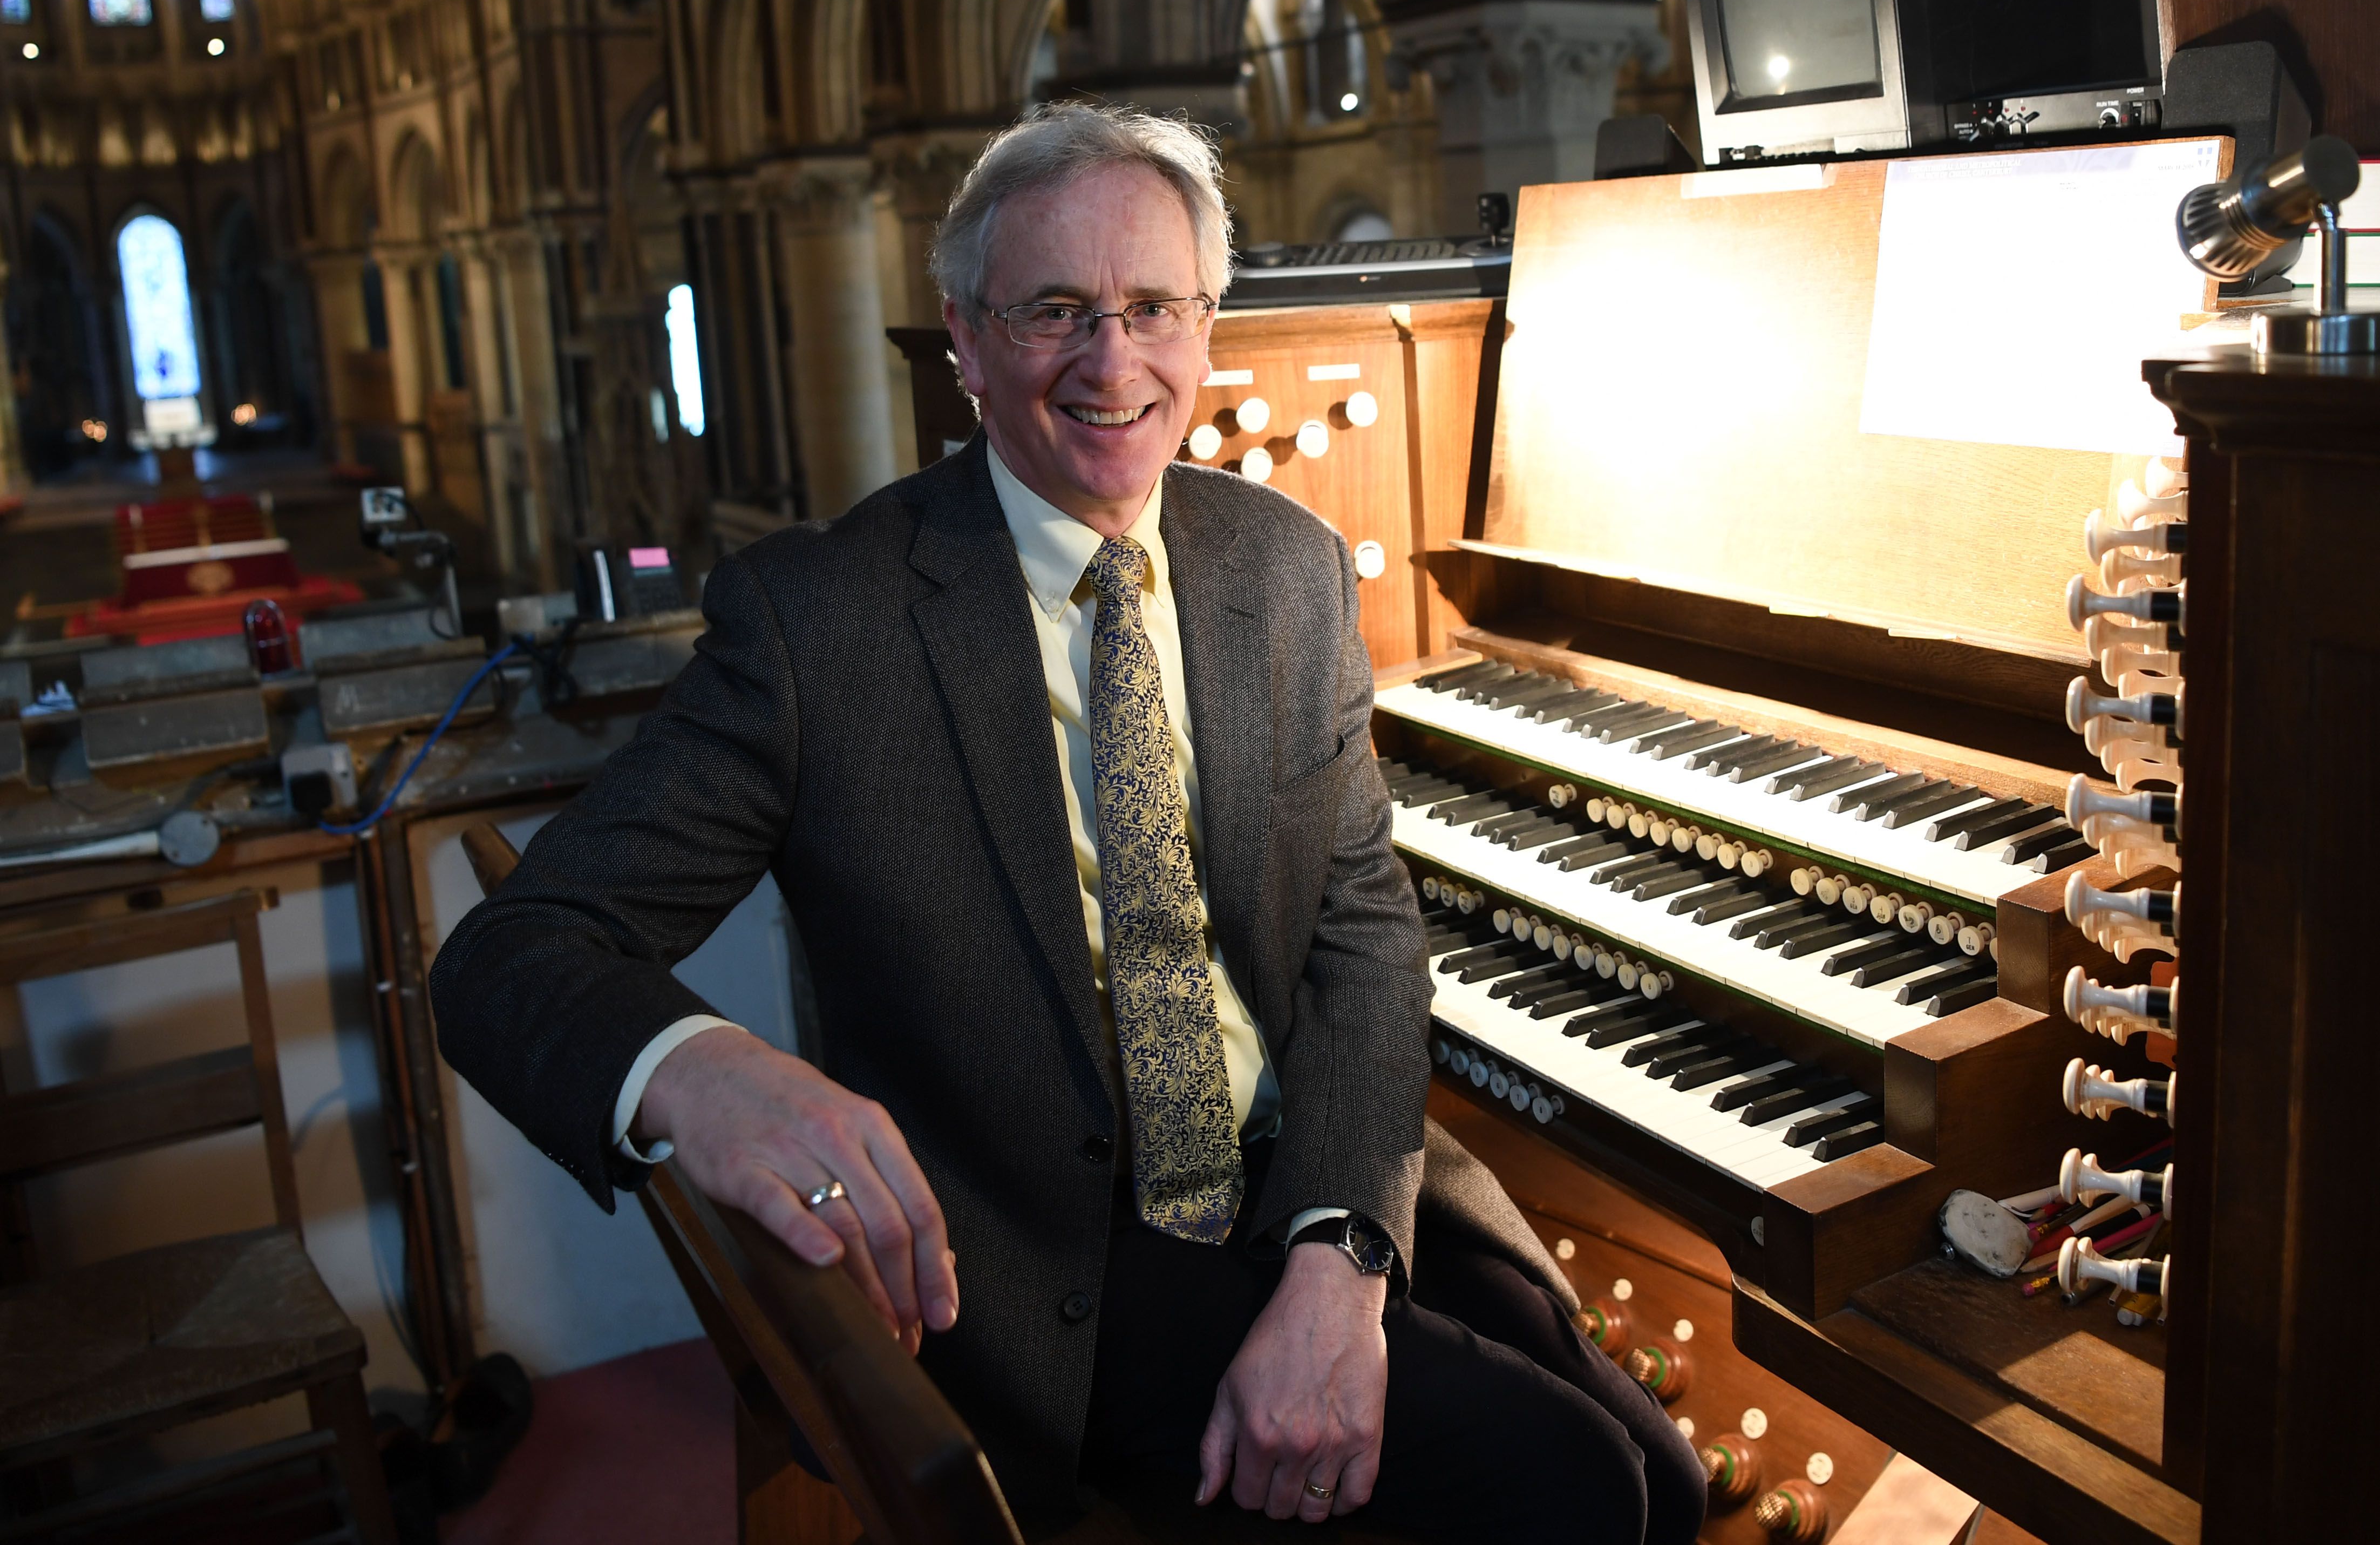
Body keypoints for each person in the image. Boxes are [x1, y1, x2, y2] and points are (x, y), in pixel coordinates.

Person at [430, 105, 1703, 1543]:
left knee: (1666, 1476)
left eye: (1152, 307)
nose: (1112, 362)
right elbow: (507, 956)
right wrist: (699, 1067)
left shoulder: (1278, 568)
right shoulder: (820, 624)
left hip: (1302, 1170)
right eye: (1053, 312)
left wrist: (1336, 1256)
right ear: (966, 344)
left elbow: (1359, 934)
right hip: (1058, 1261)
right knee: (1572, 1487)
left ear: (1206, 329)